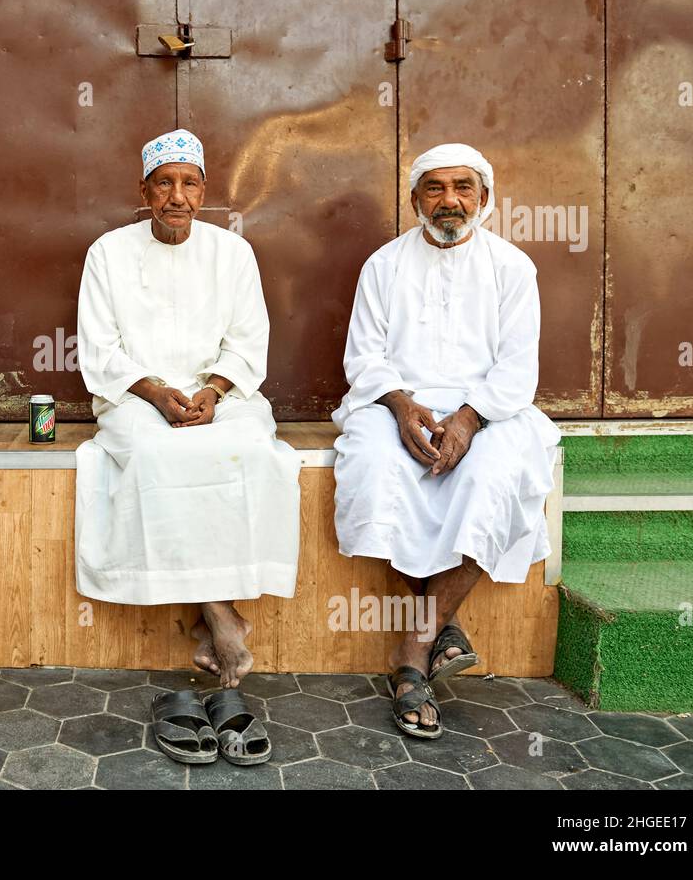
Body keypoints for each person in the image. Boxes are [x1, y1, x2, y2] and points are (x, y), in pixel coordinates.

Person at [332, 142, 561, 740]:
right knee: (372, 470)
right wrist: (404, 408)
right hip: (395, 404)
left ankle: (411, 655)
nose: (450, 199)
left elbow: (516, 371)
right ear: (414, 200)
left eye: (463, 187)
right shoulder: (383, 265)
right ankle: (445, 627)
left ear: (484, 199)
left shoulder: (512, 268)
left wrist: (467, 419)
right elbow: (365, 358)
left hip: (490, 410)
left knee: (493, 478)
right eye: (434, 188)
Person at [75, 128, 301, 693]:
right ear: (145, 190)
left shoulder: (233, 252)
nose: (177, 196)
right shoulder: (108, 252)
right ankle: (221, 617)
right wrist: (154, 394)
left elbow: (250, 340)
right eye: (164, 184)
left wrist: (214, 392)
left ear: (204, 192)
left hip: (220, 394)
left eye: (190, 184)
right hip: (133, 395)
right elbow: (100, 348)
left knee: (248, 451)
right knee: (154, 455)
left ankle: (214, 617)